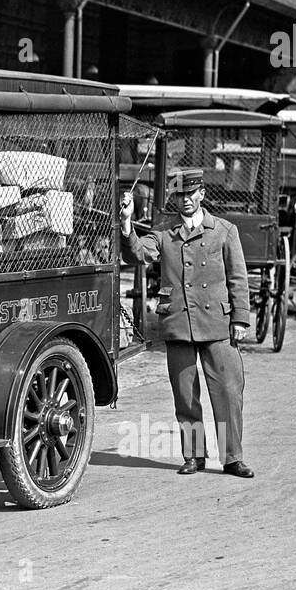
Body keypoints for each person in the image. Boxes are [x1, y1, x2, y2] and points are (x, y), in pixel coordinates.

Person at [120, 168, 255, 478]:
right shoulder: (164, 234)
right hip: (180, 324)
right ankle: (194, 456)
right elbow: (138, 255)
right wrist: (127, 223)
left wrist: (241, 319)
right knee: (185, 396)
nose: (186, 200)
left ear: (202, 194)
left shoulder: (223, 231)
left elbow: (238, 278)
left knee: (228, 393)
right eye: (179, 196)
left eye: (190, 194)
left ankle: (232, 458)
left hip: (218, 325)